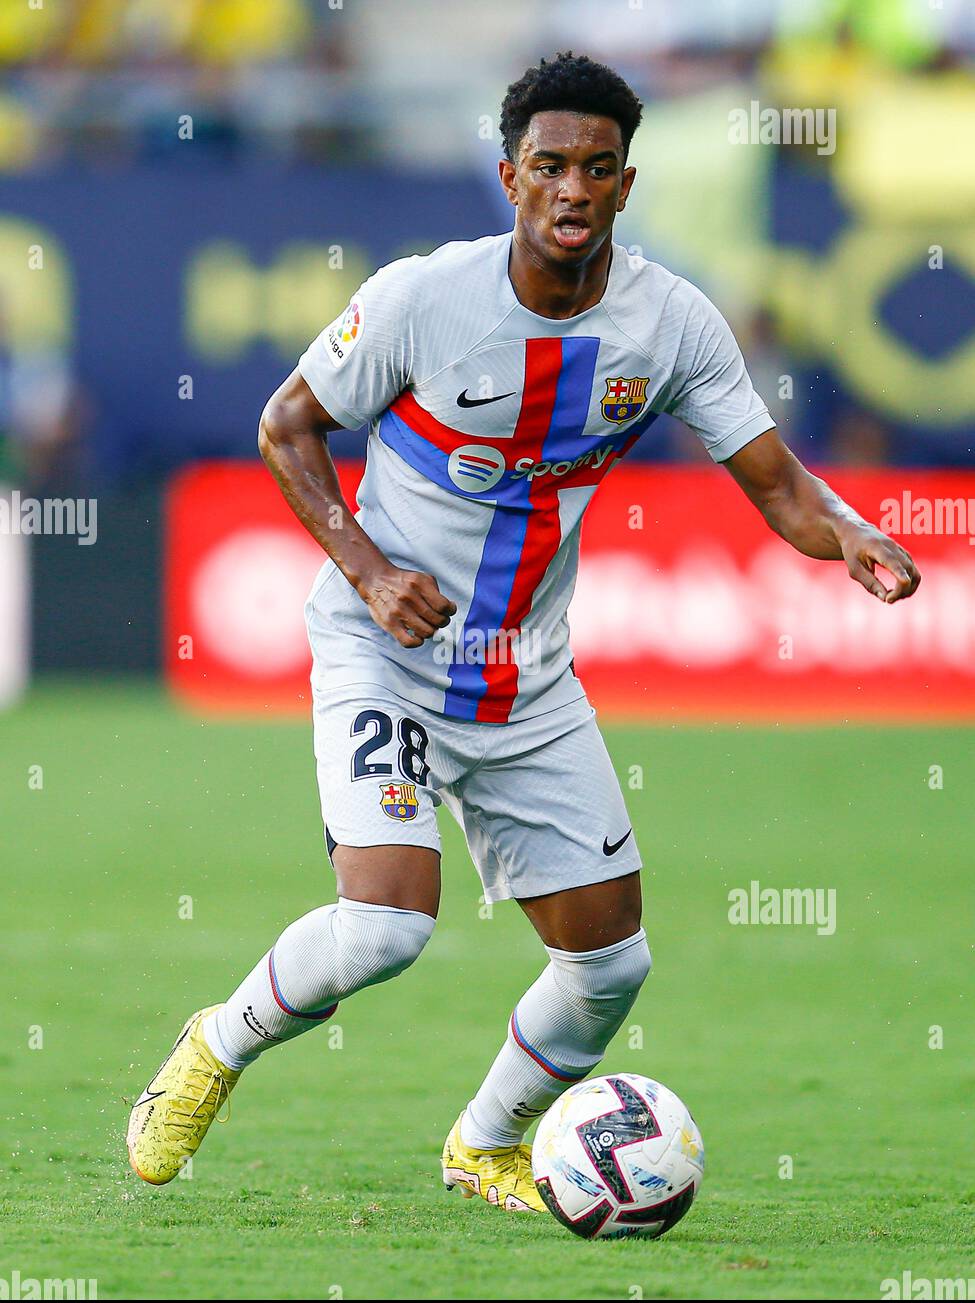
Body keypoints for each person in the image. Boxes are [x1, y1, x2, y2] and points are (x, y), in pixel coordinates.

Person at [127, 52, 920, 1212]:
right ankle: (216, 1044)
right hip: (379, 651)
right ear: (510, 176)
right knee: (386, 925)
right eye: (550, 165)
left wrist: (849, 535)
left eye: (597, 169)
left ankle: (484, 1141)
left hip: (527, 681)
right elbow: (286, 427)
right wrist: (372, 567)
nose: (573, 189)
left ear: (626, 185)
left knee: (611, 964)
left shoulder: (671, 325)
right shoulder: (423, 298)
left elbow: (779, 483)